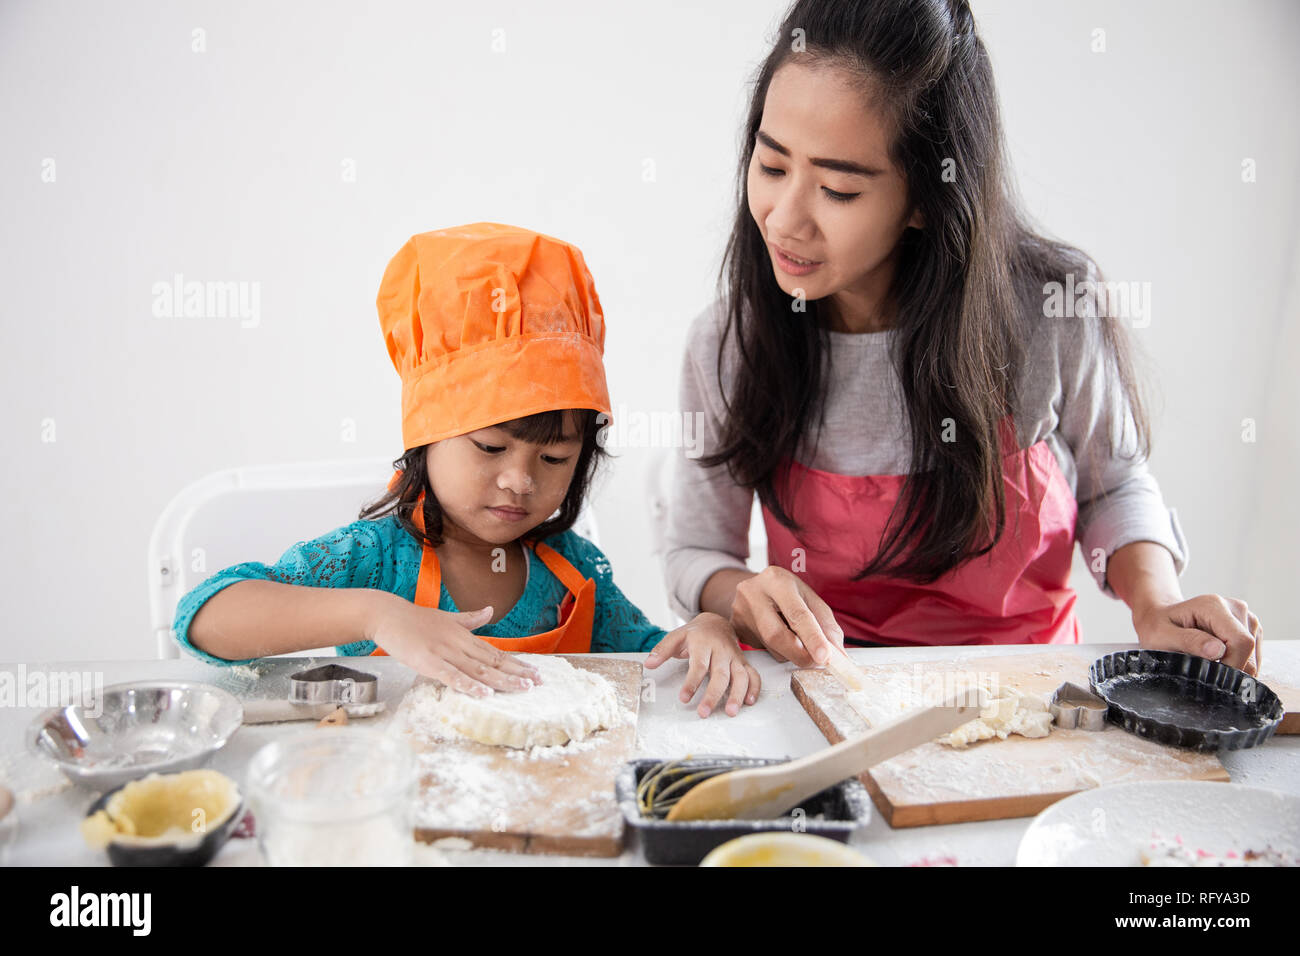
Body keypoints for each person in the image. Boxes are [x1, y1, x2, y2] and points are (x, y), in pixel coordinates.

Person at [662, 0, 1261, 675]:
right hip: (827, 689)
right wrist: (742, 594)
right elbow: (693, 552)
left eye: (836, 189)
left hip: (1028, 690)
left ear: (927, 197)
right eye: (771, 168)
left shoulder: (1052, 307)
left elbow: (1112, 486)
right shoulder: (729, 344)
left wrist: (1154, 603)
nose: (785, 220)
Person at [175, 223, 761, 714]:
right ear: (425, 437)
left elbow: (650, 657)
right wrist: (377, 614)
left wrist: (707, 630)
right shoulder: (373, 560)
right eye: (489, 448)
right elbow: (204, 618)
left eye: (555, 457)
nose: (520, 481)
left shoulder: (573, 571)